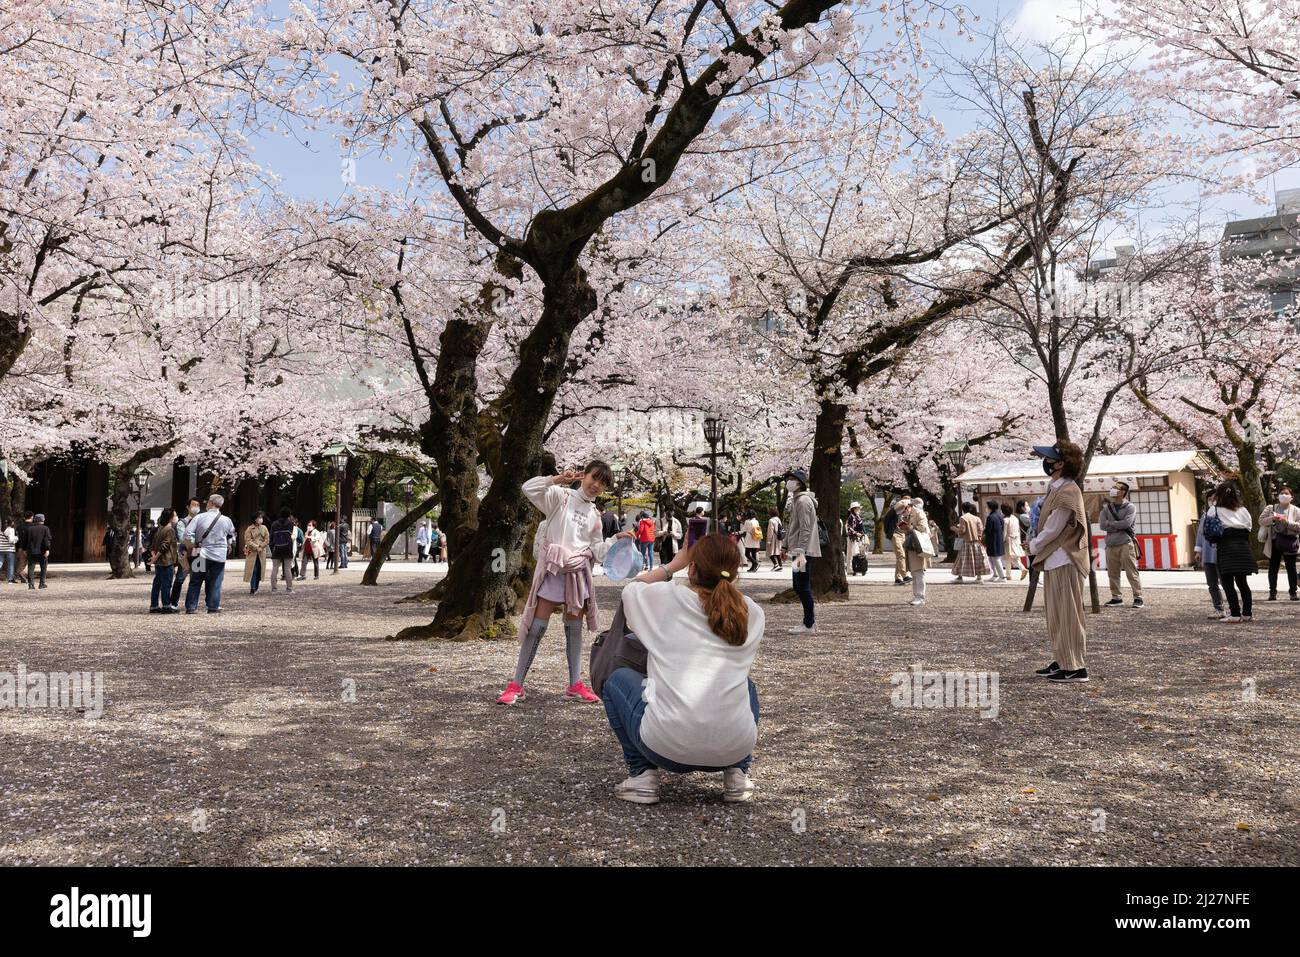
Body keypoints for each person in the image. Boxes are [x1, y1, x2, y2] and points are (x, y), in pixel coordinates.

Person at [603, 533, 763, 805]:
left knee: (616, 681)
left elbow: (631, 590)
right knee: (745, 685)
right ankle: (737, 774)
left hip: (665, 748)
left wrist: (671, 566)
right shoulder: (753, 613)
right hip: (734, 748)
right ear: (736, 574)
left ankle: (641, 776)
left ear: (692, 569)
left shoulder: (669, 599)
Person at [496, 462, 633, 705]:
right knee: (536, 628)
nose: (597, 485)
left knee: (574, 631)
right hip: (553, 569)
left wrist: (614, 540)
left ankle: (574, 685)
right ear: (585, 475)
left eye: (603, 483)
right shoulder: (561, 497)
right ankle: (516, 683)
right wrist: (557, 479)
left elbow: (597, 551)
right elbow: (528, 488)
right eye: (594, 478)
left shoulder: (595, 515)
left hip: (577, 574)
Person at [1027, 441, 1090, 683]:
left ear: (1061, 463)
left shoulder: (1067, 491)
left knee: (1069, 614)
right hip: (1055, 558)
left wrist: (1033, 545)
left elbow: (1054, 527)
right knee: (1056, 615)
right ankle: (1063, 659)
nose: (1045, 461)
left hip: (1065, 558)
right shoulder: (1057, 488)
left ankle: (1075, 666)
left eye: (1050, 458)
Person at [1210, 482, 1255, 623]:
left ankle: (1235, 614)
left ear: (1218, 494)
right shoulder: (1243, 510)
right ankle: (1247, 613)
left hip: (1225, 547)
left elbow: (1210, 529)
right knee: (1243, 582)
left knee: (1227, 582)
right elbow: (1249, 527)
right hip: (1242, 546)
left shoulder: (1214, 510)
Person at [783, 468, 820, 635]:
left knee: (802, 585)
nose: (788, 482)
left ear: (799, 483)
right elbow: (793, 527)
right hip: (798, 550)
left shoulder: (803, 501)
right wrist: (785, 546)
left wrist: (800, 550)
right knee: (798, 585)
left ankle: (809, 623)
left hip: (802, 551)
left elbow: (805, 529)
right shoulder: (798, 500)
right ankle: (809, 621)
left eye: (791, 479)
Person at [184, 495, 236, 614]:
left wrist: (192, 545)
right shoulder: (226, 520)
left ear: (211, 503)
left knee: (196, 580)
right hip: (219, 556)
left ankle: (191, 606)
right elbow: (232, 536)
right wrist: (227, 546)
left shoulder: (199, 517)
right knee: (216, 580)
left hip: (201, 554)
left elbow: (188, 533)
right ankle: (213, 606)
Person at [1100, 480, 1144, 608]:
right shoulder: (1107, 508)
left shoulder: (1130, 507)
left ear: (1123, 492)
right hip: (1110, 544)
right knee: (1112, 573)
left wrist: (1110, 524)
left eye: (1116, 488)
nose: (1112, 489)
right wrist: (1113, 525)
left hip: (1125, 542)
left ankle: (1138, 597)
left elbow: (1126, 524)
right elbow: (1102, 525)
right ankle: (1116, 597)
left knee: (1131, 571)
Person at [1259, 485, 1300, 601]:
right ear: (1278, 496)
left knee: (1291, 567)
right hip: (1274, 541)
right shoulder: (1270, 508)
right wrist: (1272, 518)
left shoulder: (1296, 510)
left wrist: (1287, 522)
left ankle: (1293, 592)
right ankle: (1272, 592)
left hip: (1290, 541)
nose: (1284, 495)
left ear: (1291, 497)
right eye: (1282, 493)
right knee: (1273, 567)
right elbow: (1260, 520)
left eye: (1287, 494)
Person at [1193, 490, 1226, 620]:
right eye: (1210, 498)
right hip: (1207, 553)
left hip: (1221, 552)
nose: (1212, 501)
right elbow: (1200, 534)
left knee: (1226, 582)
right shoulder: (1205, 516)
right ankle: (1219, 608)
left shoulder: (1225, 515)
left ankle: (1234, 608)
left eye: (1215, 498)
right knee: (1212, 583)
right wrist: (1198, 550)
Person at [897, 498, 934, 605]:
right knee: (914, 572)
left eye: (903, 511)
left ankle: (920, 597)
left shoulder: (919, 513)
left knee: (919, 572)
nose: (903, 514)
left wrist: (909, 527)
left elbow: (923, 528)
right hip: (912, 546)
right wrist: (903, 528)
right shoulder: (907, 515)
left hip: (919, 546)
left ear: (908, 507)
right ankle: (916, 596)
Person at [171, 498, 200, 610]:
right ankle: (173, 602)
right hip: (185, 554)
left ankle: (192, 605)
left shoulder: (201, 520)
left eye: (198, 505)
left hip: (198, 554)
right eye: (194, 505)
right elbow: (183, 538)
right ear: (188, 507)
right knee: (180, 578)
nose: (196, 507)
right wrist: (196, 542)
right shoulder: (182, 522)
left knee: (197, 579)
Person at [950, 502, 989, 584]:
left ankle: (960, 576)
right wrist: (979, 537)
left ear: (962, 509)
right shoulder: (977, 518)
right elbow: (980, 530)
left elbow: (962, 531)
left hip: (966, 542)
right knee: (978, 560)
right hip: (977, 543)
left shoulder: (963, 518)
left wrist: (954, 529)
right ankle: (979, 577)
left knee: (962, 559)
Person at [148, 508, 178, 613]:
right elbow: (165, 545)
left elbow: (152, 545)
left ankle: (154, 605)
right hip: (167, 560)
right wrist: (155, 558)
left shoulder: (160, 529)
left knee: (157, 584)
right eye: (174, 516)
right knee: (166, 584)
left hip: (159, 562)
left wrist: (154, 557)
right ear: (170, 518)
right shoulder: (170, 530)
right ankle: (166, 605)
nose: (175, 517)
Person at [269, 507, 296, 592]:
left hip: (276, 548)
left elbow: (271, 537)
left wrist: (272, 546)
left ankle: (274, 588)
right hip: (287, 548)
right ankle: (289, 588)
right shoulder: (290, 524)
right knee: (287, 569)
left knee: (275, 568)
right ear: (289, 515)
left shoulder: (274, 524)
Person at [243, 511, 270, 595]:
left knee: (259, 570)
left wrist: (261, 546)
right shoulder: (249, 529)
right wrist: (256, 547)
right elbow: (248, 540)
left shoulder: (264, 528)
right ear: (255, 519)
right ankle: (253, 588)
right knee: (253, 570)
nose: (260, 519)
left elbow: (267, 539)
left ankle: (256, 587)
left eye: (261, 517)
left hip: (262, 552)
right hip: (252, 552)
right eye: (259, 517)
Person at [25, 513, 52, 589]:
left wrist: (25, 550)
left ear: (35, 520)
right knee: (43, 568)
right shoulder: (45, 528)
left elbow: (26, 541)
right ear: (43, 520)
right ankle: (42, 584)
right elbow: (47, 540)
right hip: (42, 551)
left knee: (31, 568)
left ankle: (31, 584)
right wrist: (47, 549)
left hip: (31, 551)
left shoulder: (30, 529)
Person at [889, 499, 912, 586]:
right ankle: (905, 575)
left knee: (900, 557)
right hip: (896, 535)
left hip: (902, 535)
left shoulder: (904, 514)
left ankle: (897, 578)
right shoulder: (895, 513)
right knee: (901, 555)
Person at [1002, 501, 1026, 581]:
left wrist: (1002, 541)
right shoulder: (1015, 518)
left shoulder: (1005, 520)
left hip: (1008, 541)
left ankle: (1022, 569)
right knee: (1011, 558)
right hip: (1016, 539)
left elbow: (1004, 533)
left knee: (1010, 558)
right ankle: (1008, 575)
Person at [984, 499, 1006, 581]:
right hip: (999, 539)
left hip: (992, 540)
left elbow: (988, 530)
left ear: (990, 507)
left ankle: (1002, 576)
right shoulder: (999, 516)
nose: (986, 508)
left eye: (986, 507)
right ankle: (995, 575)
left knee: (996, 559)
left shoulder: (990, 517)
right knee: (993, 558)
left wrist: (984, 532)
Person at [845, 502, 867, 576]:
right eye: (858, 508)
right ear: (854, 509)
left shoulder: (857, 516)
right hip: (852, 537)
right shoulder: (851, 517)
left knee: (855, 553)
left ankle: (855, 568)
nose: (859, 509)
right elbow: (849, 527)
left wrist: (862, 533)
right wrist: (856, 533)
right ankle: (850, 569)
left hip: (857, 537)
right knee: (851, 553)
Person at [15, 510, 33, 584]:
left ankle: (21, 575)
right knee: (31, 563)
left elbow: (16, 537)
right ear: (32, 517)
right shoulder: (33, 526)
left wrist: (17, 548)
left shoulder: (19, 527)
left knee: (22, 563)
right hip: (29, 548)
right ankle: (23, 575)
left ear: (24, 517)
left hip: (20, 547)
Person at [765, 506, 783, 571]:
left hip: (773, 539)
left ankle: (776, 565)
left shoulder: (771, 520)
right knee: (777, 552)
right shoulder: (778, 519)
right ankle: (780, 565)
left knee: (770, 552)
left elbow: (770, 531)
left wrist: (769, 540)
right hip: (779, 538)